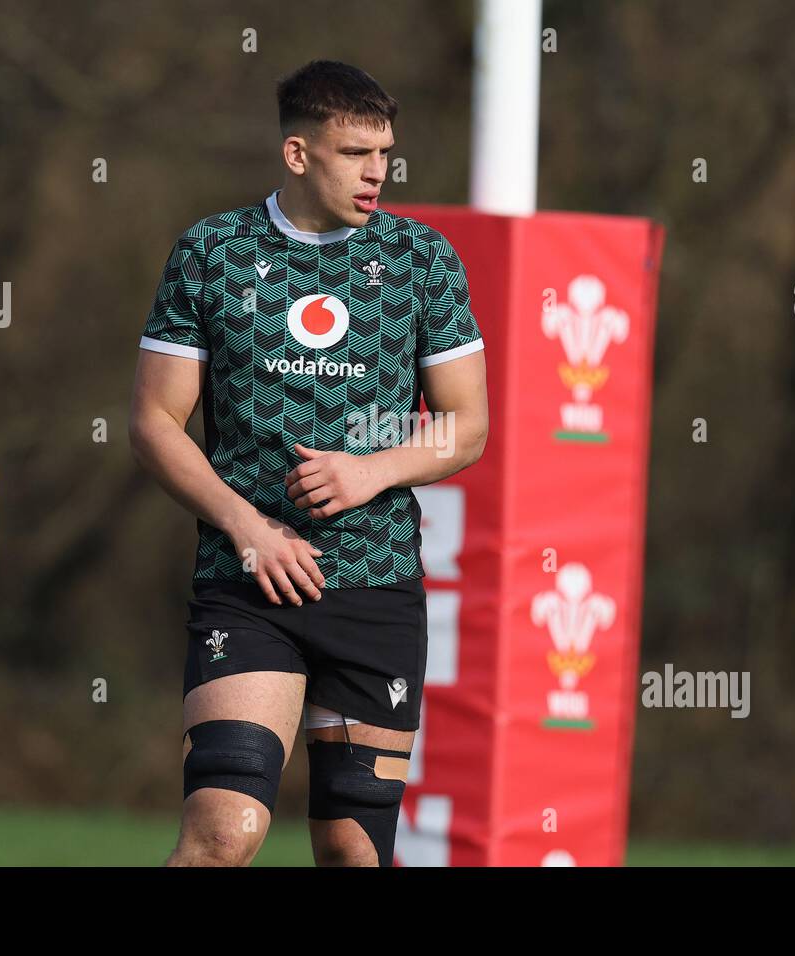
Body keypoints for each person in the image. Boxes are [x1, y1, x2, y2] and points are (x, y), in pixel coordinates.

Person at [129, 59, 488, 867]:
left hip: (375, 587)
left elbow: (468, 427)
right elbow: (155, 423)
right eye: (355, 153)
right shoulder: (212, 252)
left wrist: (374, 469)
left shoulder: (421, 259)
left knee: (352, 850)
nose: (377, 173)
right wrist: (244, 526)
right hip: (247, 584)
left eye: (385, 153)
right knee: (225, 831)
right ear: (298, 154)